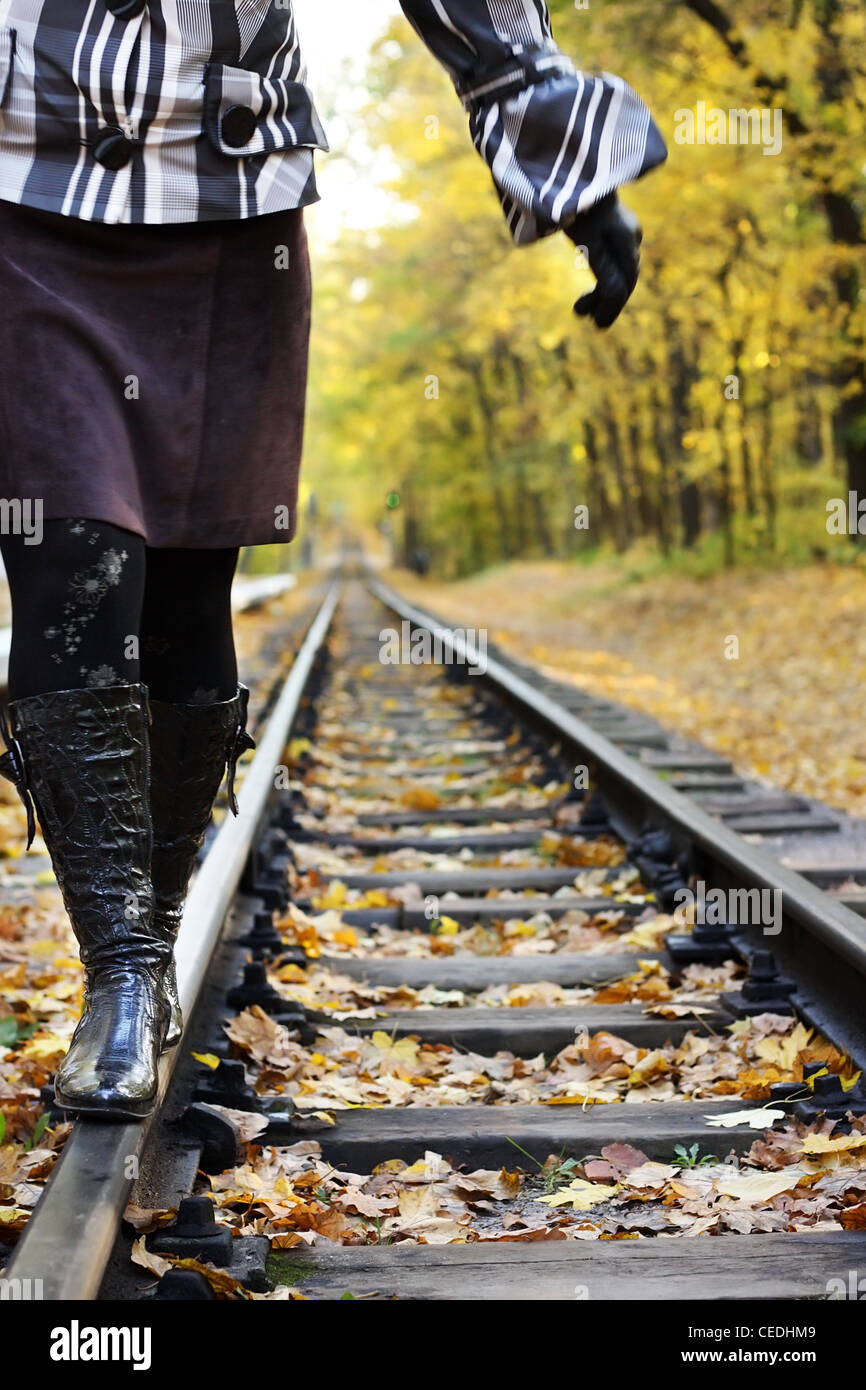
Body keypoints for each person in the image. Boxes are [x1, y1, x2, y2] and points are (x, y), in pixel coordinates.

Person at [0, 0, 665, 1120]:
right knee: (72, 557)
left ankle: (148, 946)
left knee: (181, 600)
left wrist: (568, 163)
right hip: (19, 191)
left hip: (227, 208)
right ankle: (117, 974)